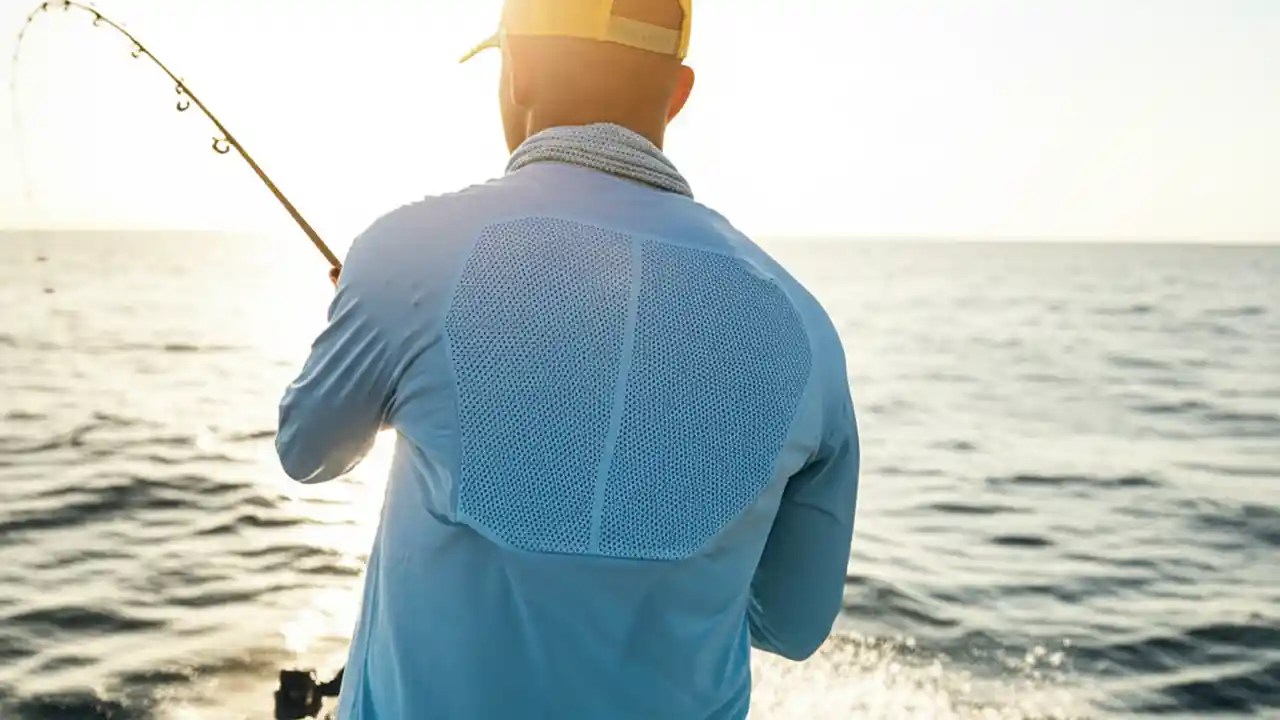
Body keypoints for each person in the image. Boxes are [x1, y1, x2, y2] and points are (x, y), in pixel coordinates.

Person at [275, 0, 859, 717]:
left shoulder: (407, 251)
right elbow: (794, 627)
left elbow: (308, 451)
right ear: (678, 93)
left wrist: (373, 322)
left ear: (517, 74)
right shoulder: (807, 329)